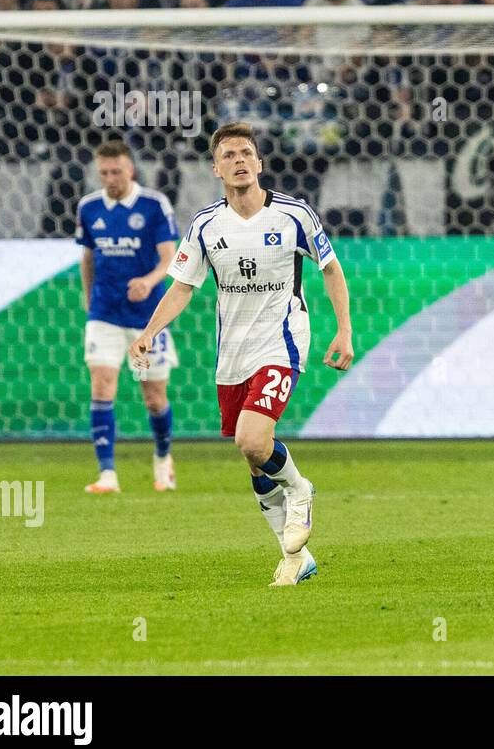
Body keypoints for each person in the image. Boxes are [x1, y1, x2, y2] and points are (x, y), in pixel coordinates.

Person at [128, 123, 355, 586]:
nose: (238, 160)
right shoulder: (206, 225)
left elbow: (330, 269)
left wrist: (344, 331)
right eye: (229, 154)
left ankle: (300, 489)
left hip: (282, 339)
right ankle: (295, 559)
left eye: (246, 153)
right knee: (253, 460)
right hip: (232, 352)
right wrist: (150, 329)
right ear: (216, 168)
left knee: (252, 440)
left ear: (259, 163)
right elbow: (183, 287)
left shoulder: (293, 214)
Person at [75, 139, 180, 494]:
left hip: (148, 318)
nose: (110, 179)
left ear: (130, 169)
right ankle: (107, 474)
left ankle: (164, 459)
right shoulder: (88, 207)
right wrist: (89, 301)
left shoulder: (153, 205)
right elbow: (87, 258)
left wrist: (150, 283)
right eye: (103, 173)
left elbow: (170, 257)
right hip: (104, 312)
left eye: (116, 171)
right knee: (102, 386)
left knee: (153, 397)